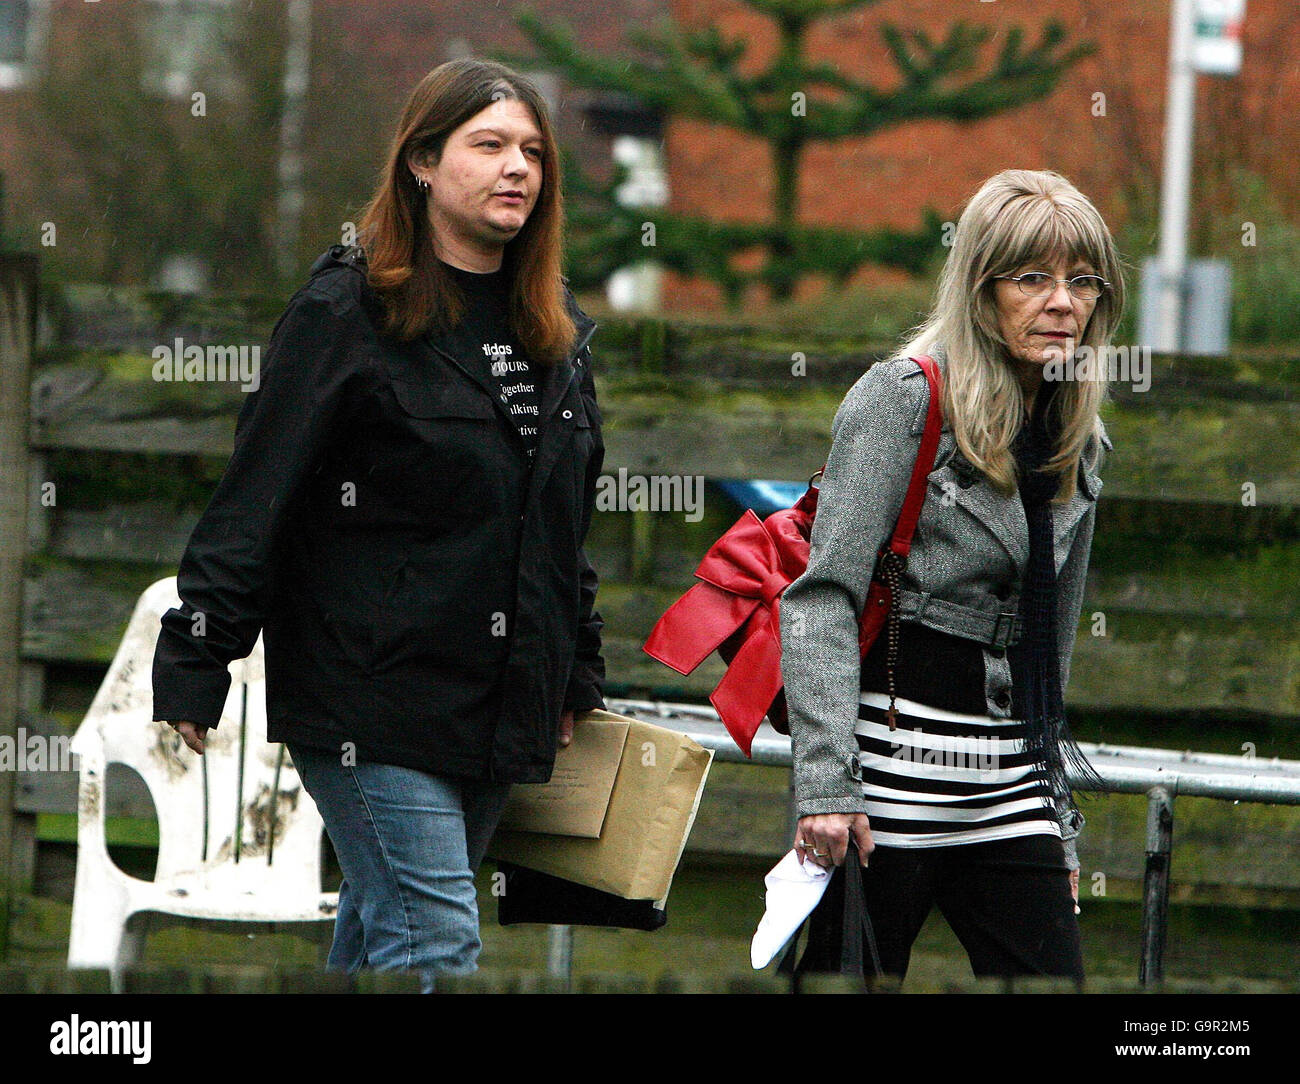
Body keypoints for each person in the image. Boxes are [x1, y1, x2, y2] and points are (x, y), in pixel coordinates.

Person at [151, 58, 606, 990]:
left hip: (496, 700)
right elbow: (256, 497)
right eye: (488, 145)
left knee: (381, 932)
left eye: (532, 149)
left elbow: (556, 528)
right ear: (422, 165)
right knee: (436, 940)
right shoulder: (345, 313)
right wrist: (198, 657)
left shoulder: (555, 332)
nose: (517, 166)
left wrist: (577, 668)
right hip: (370, 696)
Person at [779, 169, 1123, 984]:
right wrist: (826, 784)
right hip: (883, 791)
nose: (1062, 301)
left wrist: (1059, 825)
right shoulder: (903, 398)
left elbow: (1052, 655)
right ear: (981, 290)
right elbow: (821, 598)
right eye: (1033, 277)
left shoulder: (1081, 440)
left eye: (1082, 281)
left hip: (1011, 795)